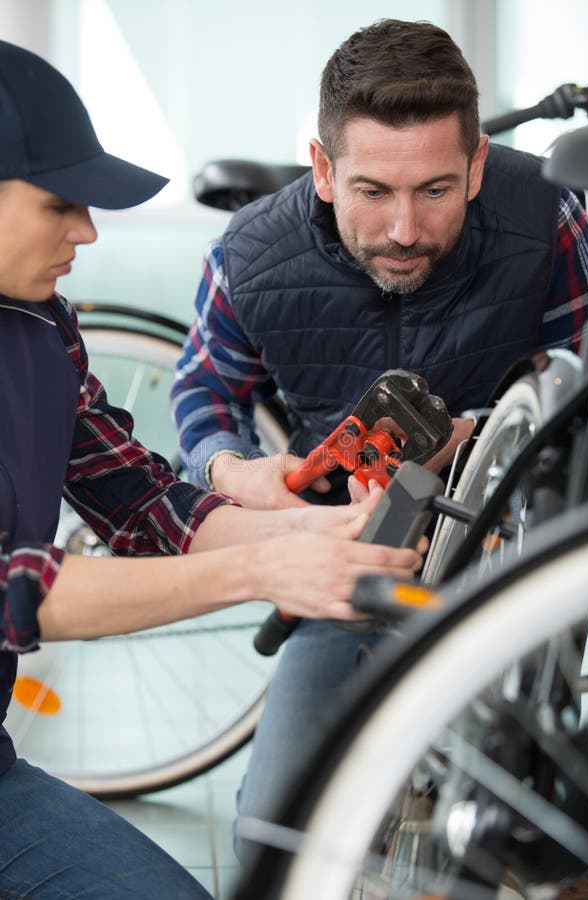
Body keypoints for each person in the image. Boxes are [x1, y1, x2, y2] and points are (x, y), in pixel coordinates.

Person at [0, 39, 425, 900]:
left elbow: (144, 504)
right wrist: (263, 569)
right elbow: (15, 590)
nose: (86, 229)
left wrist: (313, 526)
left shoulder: (44, 328)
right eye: (59, 203)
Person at [169, 18, 588, 858]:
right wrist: (235, 470)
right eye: (373, 191)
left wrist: (477, 442)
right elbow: (202, 386)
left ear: (477, 165)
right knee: (275, 840)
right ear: (324, 169)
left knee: (521, 835)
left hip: (508, 561)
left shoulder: (547, 221)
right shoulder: (249, 255)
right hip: (348, 560)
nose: (404, 229)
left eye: (436, 190)